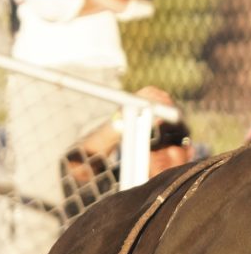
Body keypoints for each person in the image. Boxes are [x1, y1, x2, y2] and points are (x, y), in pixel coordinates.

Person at [6, 0, 153, 254]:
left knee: (99, 212)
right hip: (44, 77)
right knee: (39, 210)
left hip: (103, 74)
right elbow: (53, 2)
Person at [60, 85, 195, 218]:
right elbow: (77, 167)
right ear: (132, 146)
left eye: (172, 138)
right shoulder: (117, 188)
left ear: (189, 150)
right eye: (150, 139)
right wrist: (125, 117)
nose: (160, 150)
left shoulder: (199, 192)